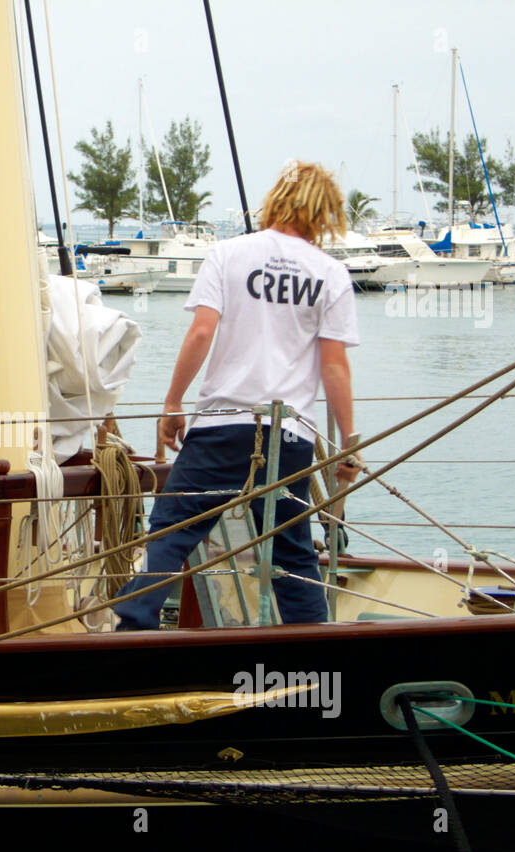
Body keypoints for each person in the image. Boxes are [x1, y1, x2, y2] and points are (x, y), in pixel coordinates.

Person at [114, 161, 361, 630]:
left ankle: (133, 631)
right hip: (288, 435)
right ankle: (316, 651)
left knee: (175, 529)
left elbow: (201, 333)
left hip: (221, 424)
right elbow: (334, 365)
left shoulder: (228, 254)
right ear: (324, 212)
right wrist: (349, 442)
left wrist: (172, 402)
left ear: (277, 200)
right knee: (292, 549)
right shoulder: (330, 274)